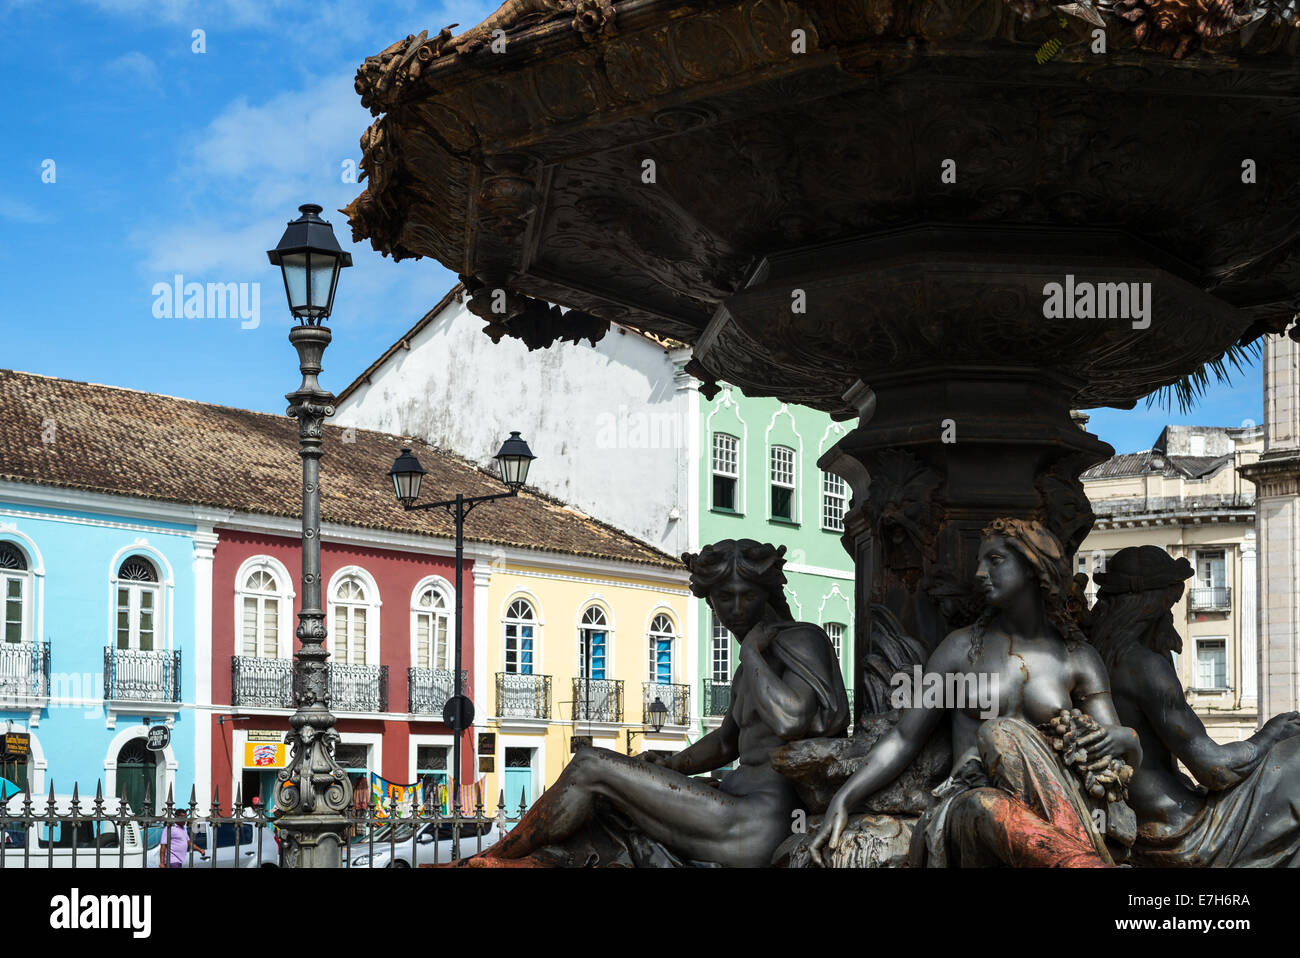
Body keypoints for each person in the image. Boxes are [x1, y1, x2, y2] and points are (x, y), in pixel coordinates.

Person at [473, 539, 849, 867]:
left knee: (590, 765)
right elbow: (724, 743)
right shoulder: (751, 667)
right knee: (607, 807)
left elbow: (791, 720)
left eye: (748, 595)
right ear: (710, 599)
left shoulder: (801, 640)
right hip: (731, 806)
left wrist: (750, 652)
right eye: (724, 597)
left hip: (755, 822)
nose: (736, 609)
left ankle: (497, 854)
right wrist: (669, 764)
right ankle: (520, 861)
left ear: (766, 593)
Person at [808, 517, 1141, 868]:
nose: (980, 573)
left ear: (1032, 567)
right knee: (992, 773)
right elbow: (905, 737)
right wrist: (843, 798)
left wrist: (1129, 739)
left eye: (995, 561)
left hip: (1060, 810)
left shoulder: (1077, 658)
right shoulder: (959, 649)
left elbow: (1119, 757)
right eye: (980, 562)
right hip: (970, 802)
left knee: (1001, 734)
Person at [1089, 545, 1300, 866]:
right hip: (1183, 832)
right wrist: (1271, 733)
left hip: (1149, 822)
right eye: (1170, 603)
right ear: (1151, 605)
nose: (1172, 615)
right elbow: (1215, 768)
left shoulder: (1095, 658)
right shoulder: (1145, 666)